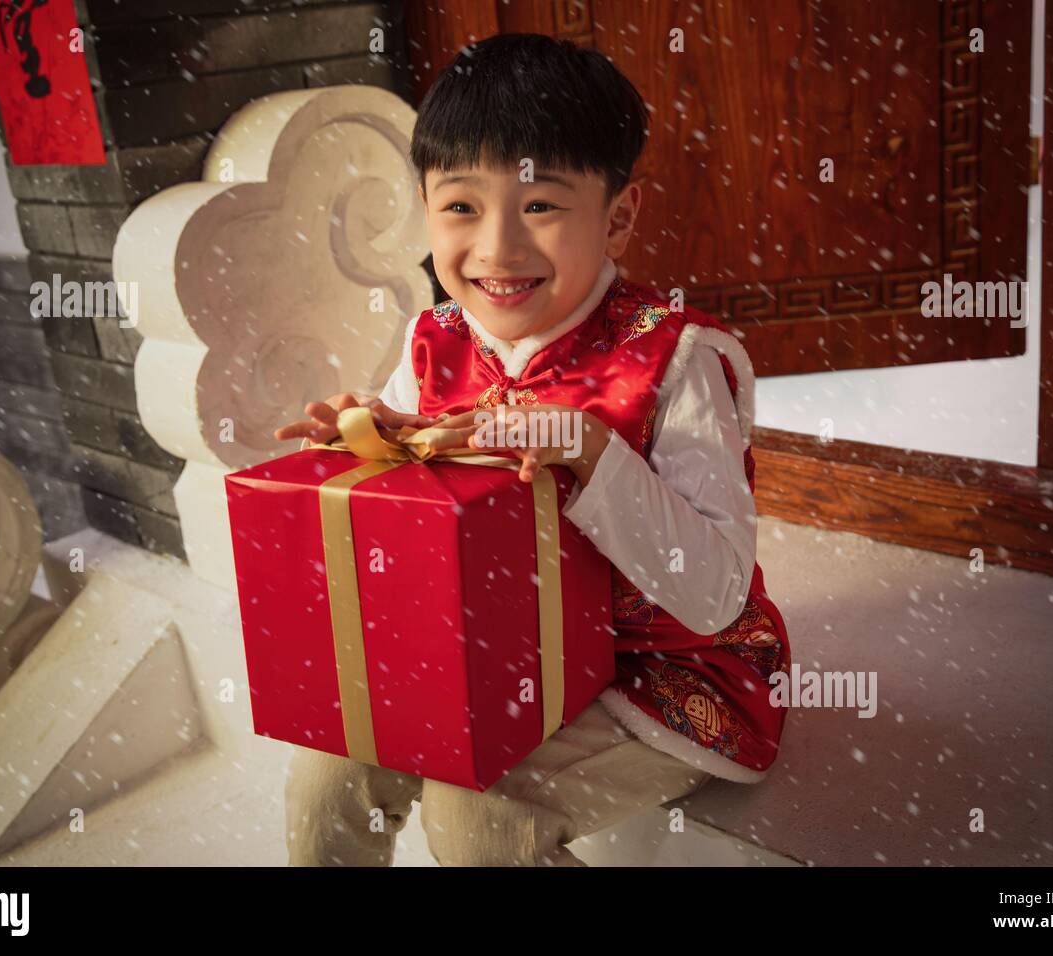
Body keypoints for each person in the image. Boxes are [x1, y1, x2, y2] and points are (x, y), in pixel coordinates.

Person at [273, 32, 790, 866]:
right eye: (461, 207)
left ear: (618, 217)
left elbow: (717, 596)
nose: (498, 250)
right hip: (501, 654)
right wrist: (366, 444)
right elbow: (414, 512)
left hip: (661, 672)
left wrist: (590, 451)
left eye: (541, 206)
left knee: (479, 819)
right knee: (325, 775)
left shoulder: (678, 360)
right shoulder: (430, 338)